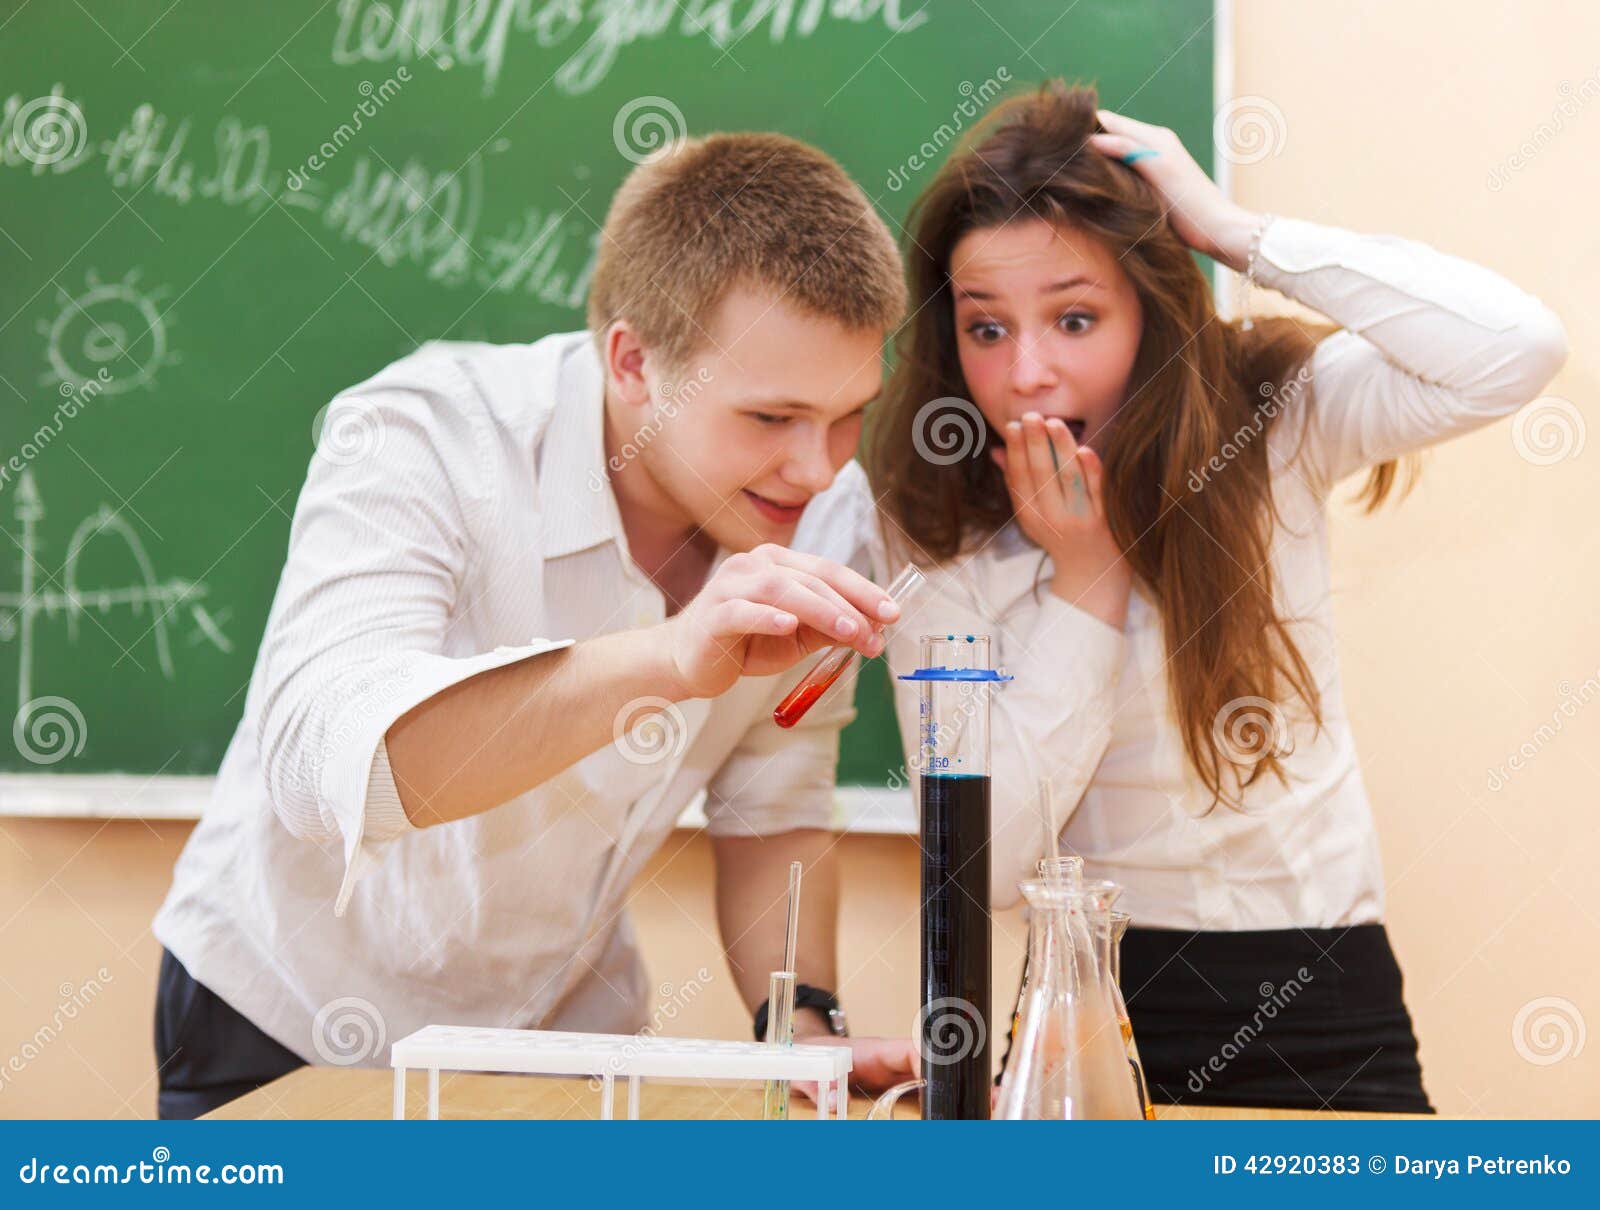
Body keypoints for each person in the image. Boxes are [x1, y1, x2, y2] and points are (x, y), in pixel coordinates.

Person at [151, 131, 919, 1118]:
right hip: (291, 1026)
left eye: (850, 413)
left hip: (566, 1041)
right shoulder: (422, 433)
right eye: (771, 419)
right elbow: (325, 768)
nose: (817, 468)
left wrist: (805, 1035)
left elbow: (774, 808)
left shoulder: (825, 512)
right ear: (634, 362)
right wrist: (667, 660)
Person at [865, 82, 1568, 1113]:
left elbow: (1516, 348)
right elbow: (984, 862)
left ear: (1151, 305)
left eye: (1073, 317)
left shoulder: (1270, 412)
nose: (1027, 373)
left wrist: (1232, 232)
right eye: (985, 329)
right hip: (1083, 1002)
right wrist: (1085, 583)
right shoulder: (931, 511)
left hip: (1325, 990)